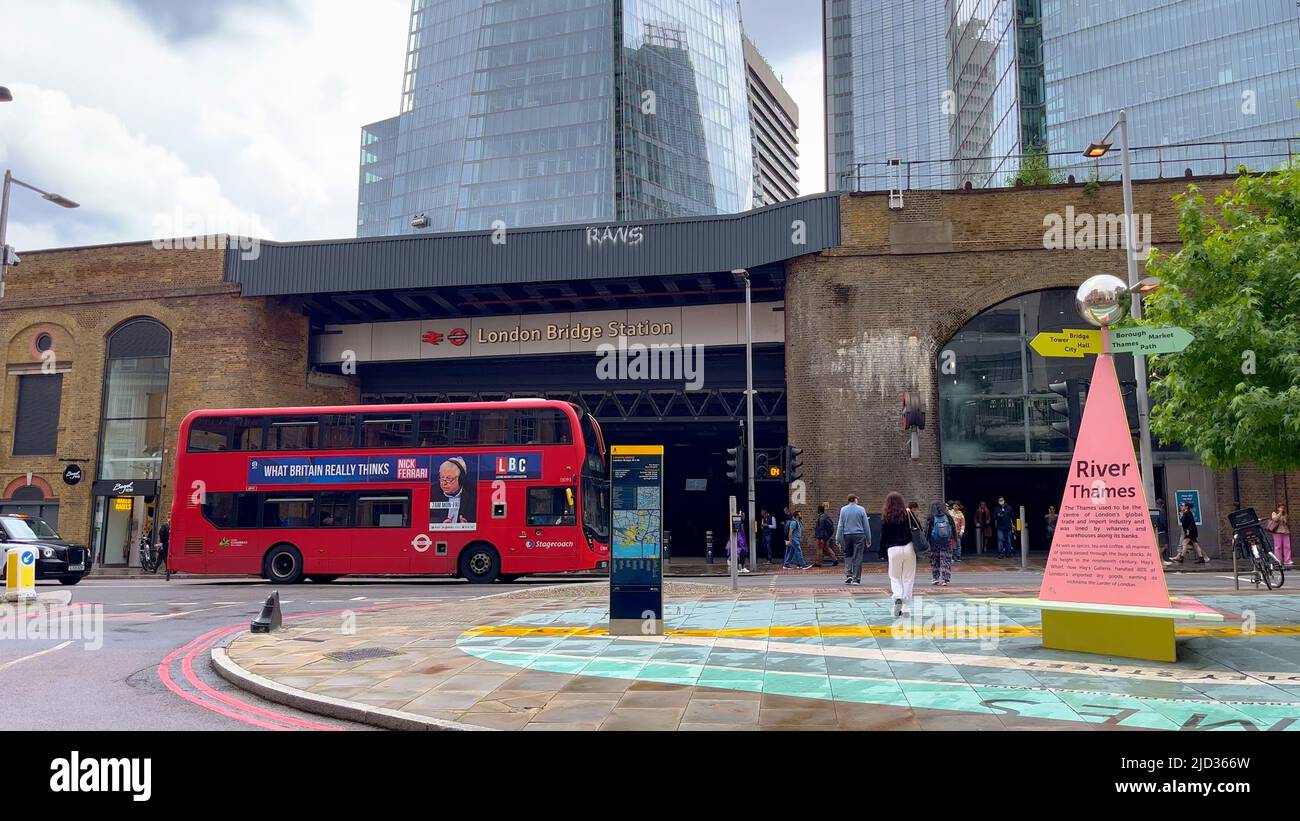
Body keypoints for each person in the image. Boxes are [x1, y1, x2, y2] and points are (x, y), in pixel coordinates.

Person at [881, 492, 916, 617]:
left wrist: (881, 552)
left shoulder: (887, 516)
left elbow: (883, 536)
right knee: (908, 577)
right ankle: (906, 607)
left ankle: (898, 597)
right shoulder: (908, 514)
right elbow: (919, 529)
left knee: (894, 576)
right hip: (909, 547)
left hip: (893, 549)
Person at [837, 494, 871, 586]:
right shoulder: (861, 509)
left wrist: (838, 539)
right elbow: (866, 525)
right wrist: (868, 539)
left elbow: (840, 525)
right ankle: (856, 579)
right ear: (855, 499)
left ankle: (849, 575)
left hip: (847, 535)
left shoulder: (843, 510)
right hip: (859, 535)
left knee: (848, 555)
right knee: (858, 557)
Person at [433, 457, 475, 525]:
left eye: (449, 479)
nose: (444, 483)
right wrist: (440, 525)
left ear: (460, 479)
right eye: (442, 478)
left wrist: (468, 526)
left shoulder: (473, 495)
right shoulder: (432, 493)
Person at [927, 502, 957, 586]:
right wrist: (954, 539)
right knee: (946, 560)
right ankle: (945, 579)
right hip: (947, 542)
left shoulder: (931, 517)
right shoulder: (948, 517)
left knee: (935, 560)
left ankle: (935, 578)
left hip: (934, 542)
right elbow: (953, 529)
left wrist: (927, 541)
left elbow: (927, 531)